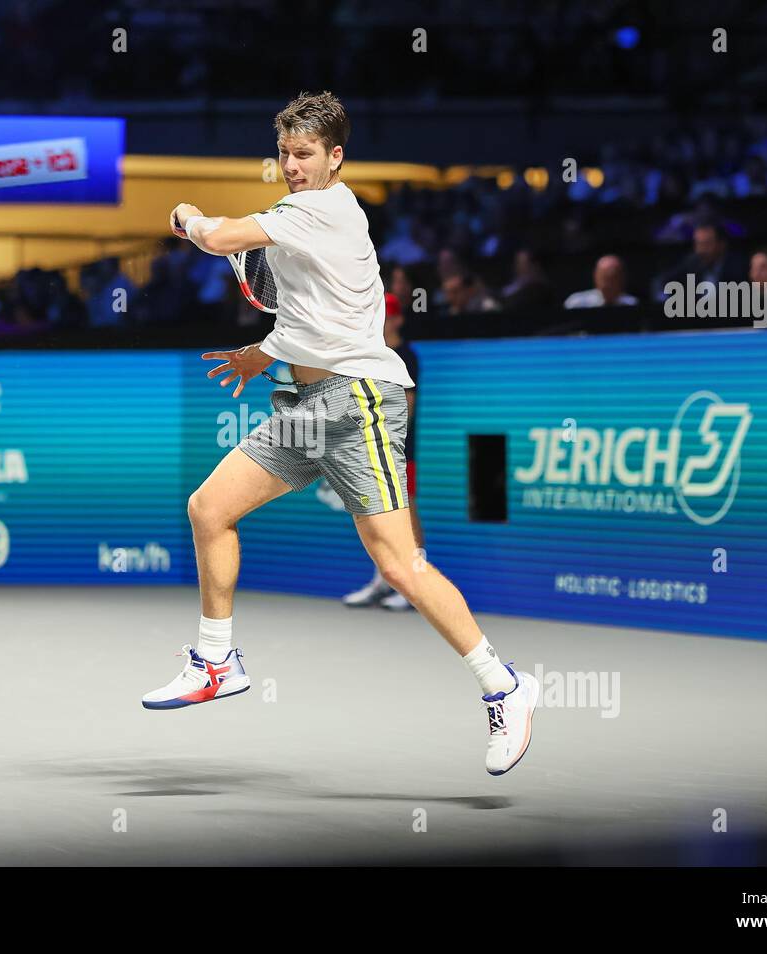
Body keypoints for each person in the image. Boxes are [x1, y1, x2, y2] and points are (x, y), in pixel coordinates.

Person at [150, 91, 538, 776]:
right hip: (307, 401)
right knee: (209, 508)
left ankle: (504, 685)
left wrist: (186, 217)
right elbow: (314, 318)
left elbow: (214, 239)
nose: (292, 165)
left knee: (399, 565)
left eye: (304, 154)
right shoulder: (305, 220)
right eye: (284, 154)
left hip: (358, 401)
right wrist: (260, 355)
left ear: (335, 156)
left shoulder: (319, 208)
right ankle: (216, 661)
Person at [342, 292, 424, 611]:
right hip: (370, 448)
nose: (380, 321)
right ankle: (384, 579)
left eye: (386, 315)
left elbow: (407, 405)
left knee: (407, 515)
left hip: (399, 450)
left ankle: (415, 586)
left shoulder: (406, 355)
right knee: (377, 516)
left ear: (399, 318)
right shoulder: (368, 356)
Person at [563, 255, 638, 308]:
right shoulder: (576, 303)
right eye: (605, 277)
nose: (609, 284)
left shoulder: (632, 304)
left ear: (622, 279)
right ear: (596, 277)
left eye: (614, 278)